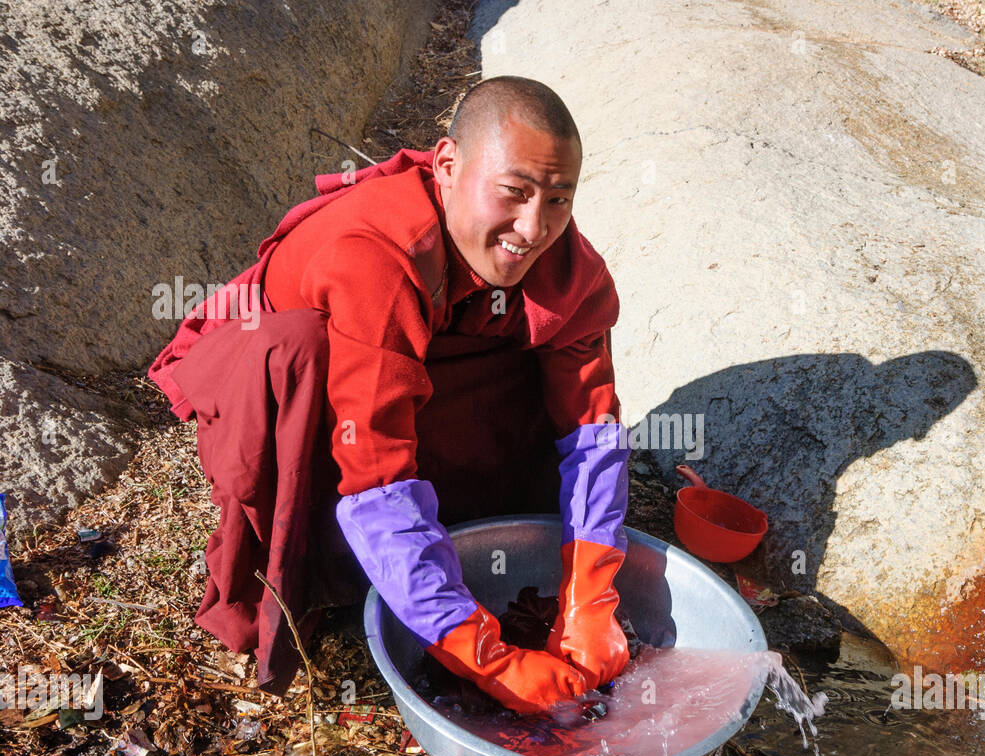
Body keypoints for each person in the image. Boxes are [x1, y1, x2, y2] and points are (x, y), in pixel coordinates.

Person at [148, 76, 630, 712]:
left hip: (415, 353)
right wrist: (476, 650)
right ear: (449, 166)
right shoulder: (379, 256)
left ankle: (466, 534)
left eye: (558, 200)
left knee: (529, 370)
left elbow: (591, 428)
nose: (533, 228)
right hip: (288, 373)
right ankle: (333, 574)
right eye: (514, 192)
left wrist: (591, 595)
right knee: (301, 356)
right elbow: (374, 468)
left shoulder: (565, 265)